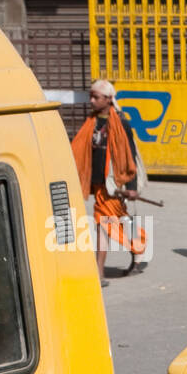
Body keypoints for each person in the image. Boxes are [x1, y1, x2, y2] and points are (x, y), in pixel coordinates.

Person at [72, 79, 146, 286]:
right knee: (105, 224)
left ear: (107, 99)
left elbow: (129, 155)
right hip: (97, 185)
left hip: (113, 186)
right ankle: (128, 253)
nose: (92, 100)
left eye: (96, 97)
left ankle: (101, 272)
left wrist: (131, 188)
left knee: (106, 224)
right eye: (91, 96)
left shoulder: (121, 123)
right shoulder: (91, 122)